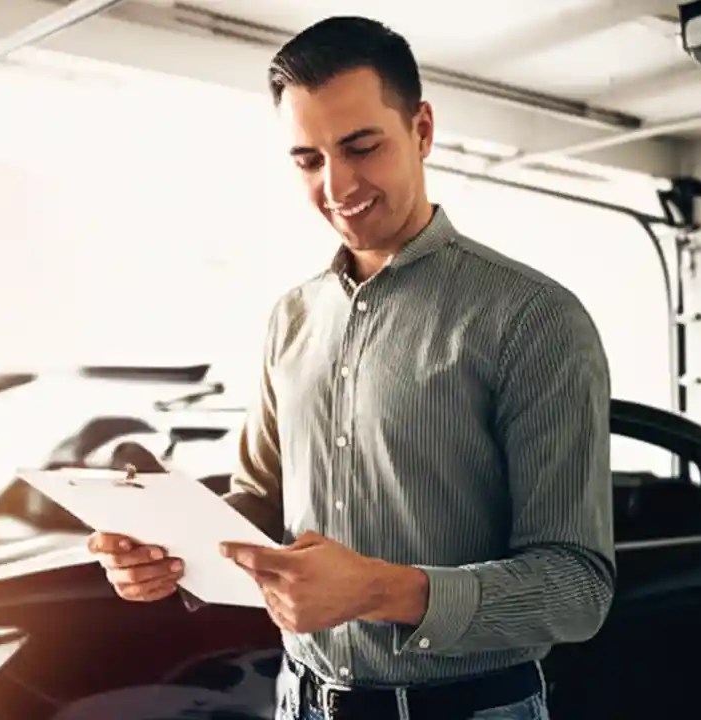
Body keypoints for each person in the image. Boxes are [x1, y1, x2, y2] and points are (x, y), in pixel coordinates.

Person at [87, 15, 613, 720]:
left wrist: (376, 590)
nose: (336, 186)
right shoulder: (291, 318)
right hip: (301, 701)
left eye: (361, 148)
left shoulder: (532, 317)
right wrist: (169, 551)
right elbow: (259, 501)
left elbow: (577, 589)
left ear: (422, 130)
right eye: (308, 160)